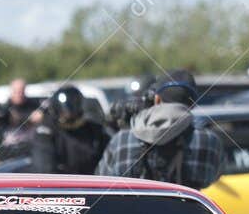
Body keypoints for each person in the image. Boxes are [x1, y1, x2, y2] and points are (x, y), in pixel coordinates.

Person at [95, 69, 224, 189]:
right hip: (187, 213)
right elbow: (214, 176)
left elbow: (101, 179)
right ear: (193, 104)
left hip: (132, 213)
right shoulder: (209, 141)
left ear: (157, 99)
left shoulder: (121, 140)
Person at [30, 84, 107, 174]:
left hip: (93, 183)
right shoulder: (45, 133)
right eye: (65, 115)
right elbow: (45, 169)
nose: (68, 117)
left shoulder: (94, 131)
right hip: (61, 184)